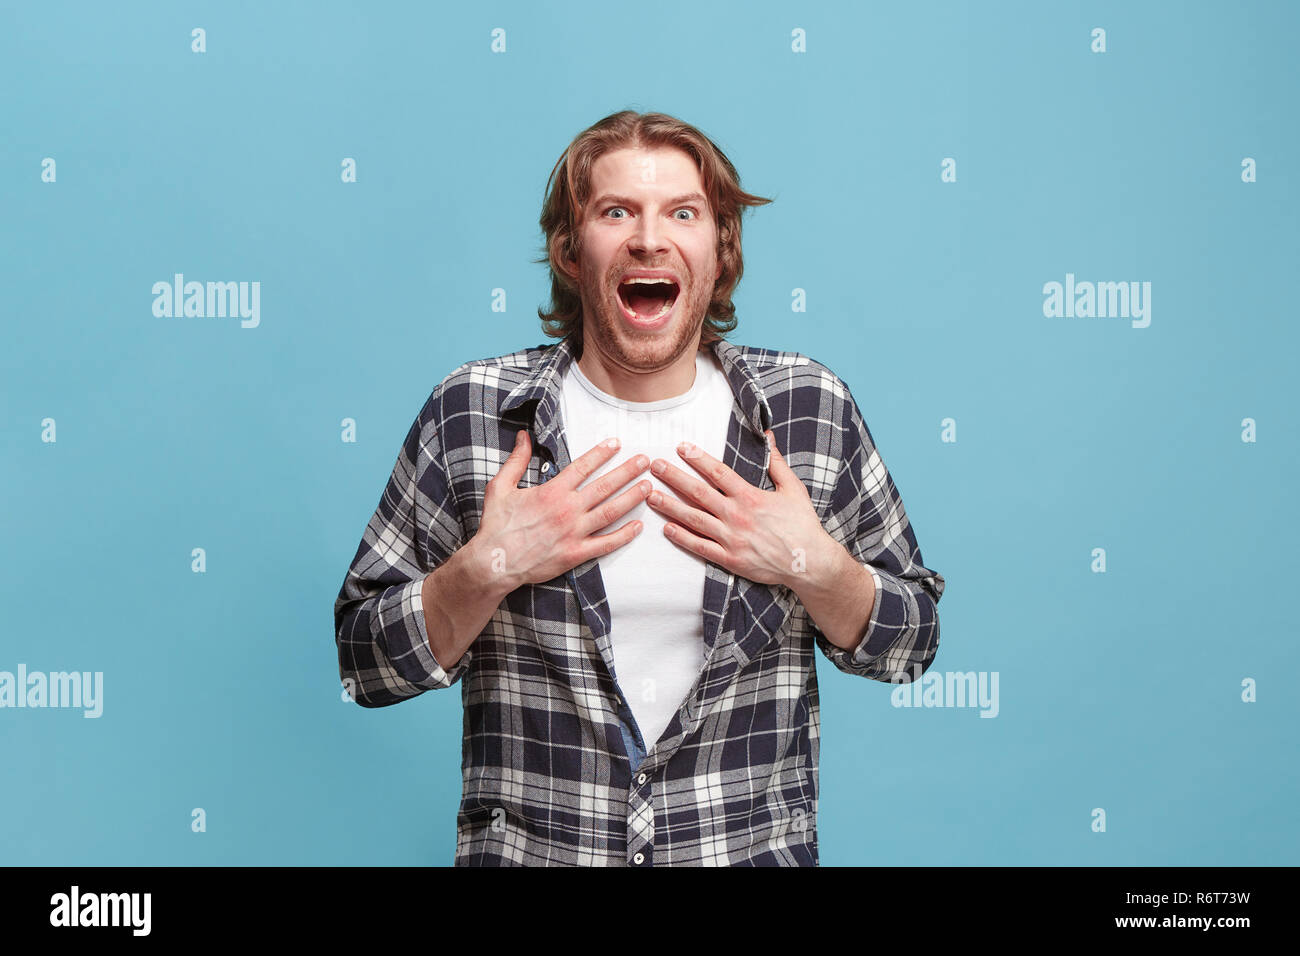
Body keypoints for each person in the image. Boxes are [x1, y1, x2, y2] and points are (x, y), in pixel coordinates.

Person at [334, 110, 945, 866]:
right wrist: (486, 568)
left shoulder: (810, 409)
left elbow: (912, 646)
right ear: (568, 249)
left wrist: (815, 568)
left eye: (681, 213)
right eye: (615, 211)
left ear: (719, 251)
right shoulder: (473, 414)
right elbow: (363, 664)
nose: (649, 238)